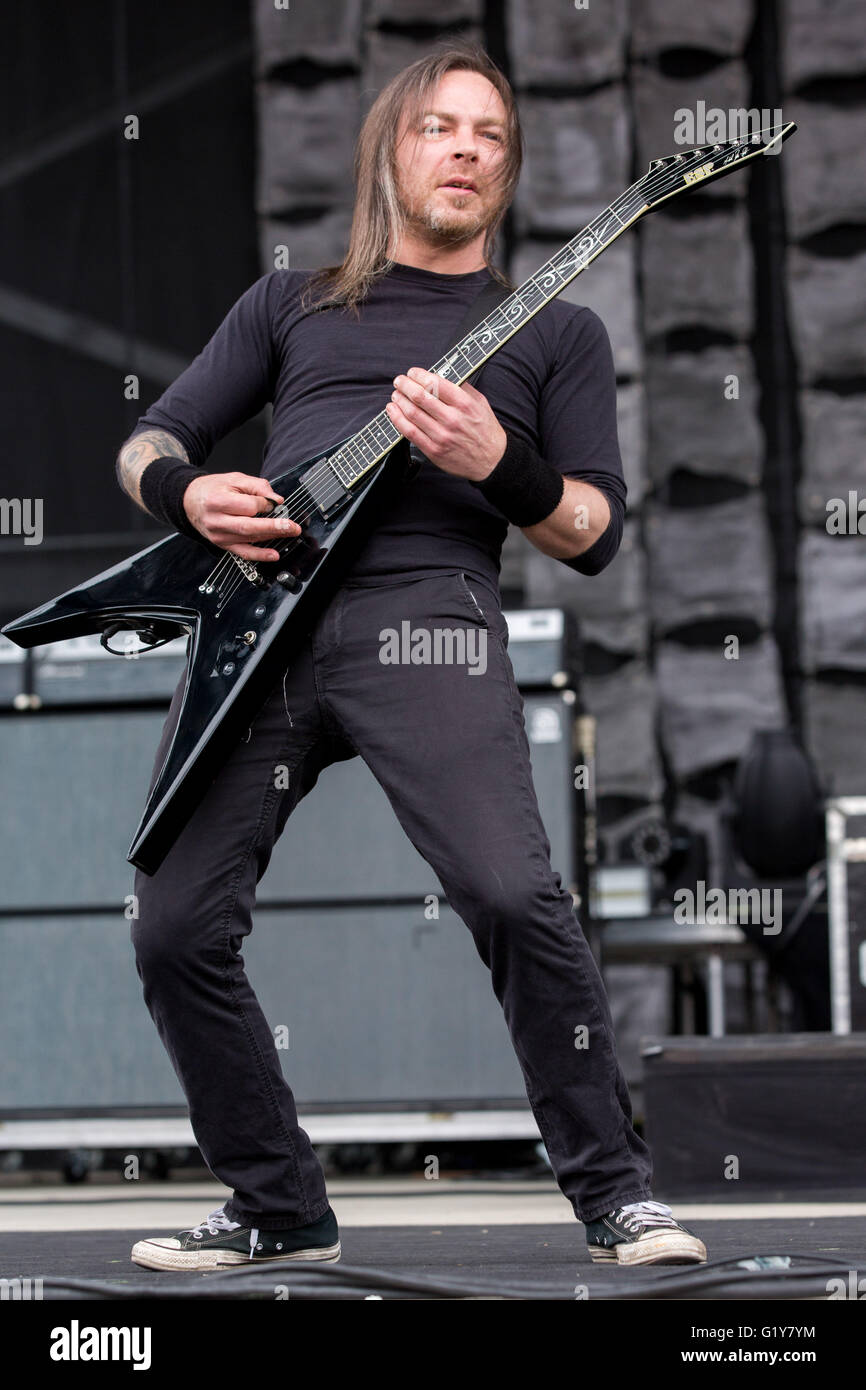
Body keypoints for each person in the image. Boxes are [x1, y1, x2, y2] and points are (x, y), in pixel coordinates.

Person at [119, 40, 706, 1273]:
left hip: (421, 611)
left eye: (490, 134)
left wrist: (503, 464)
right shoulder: (293, 303)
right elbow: (147, 440)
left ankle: (617, 1197)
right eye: (440, 126)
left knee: (509, 893)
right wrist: (186, 495)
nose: (466, 150)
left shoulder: (558, 333)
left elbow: (591, 532)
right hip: (261, 622)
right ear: (394, 148)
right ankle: (277, 1204)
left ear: (507, 169)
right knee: (171, 927)